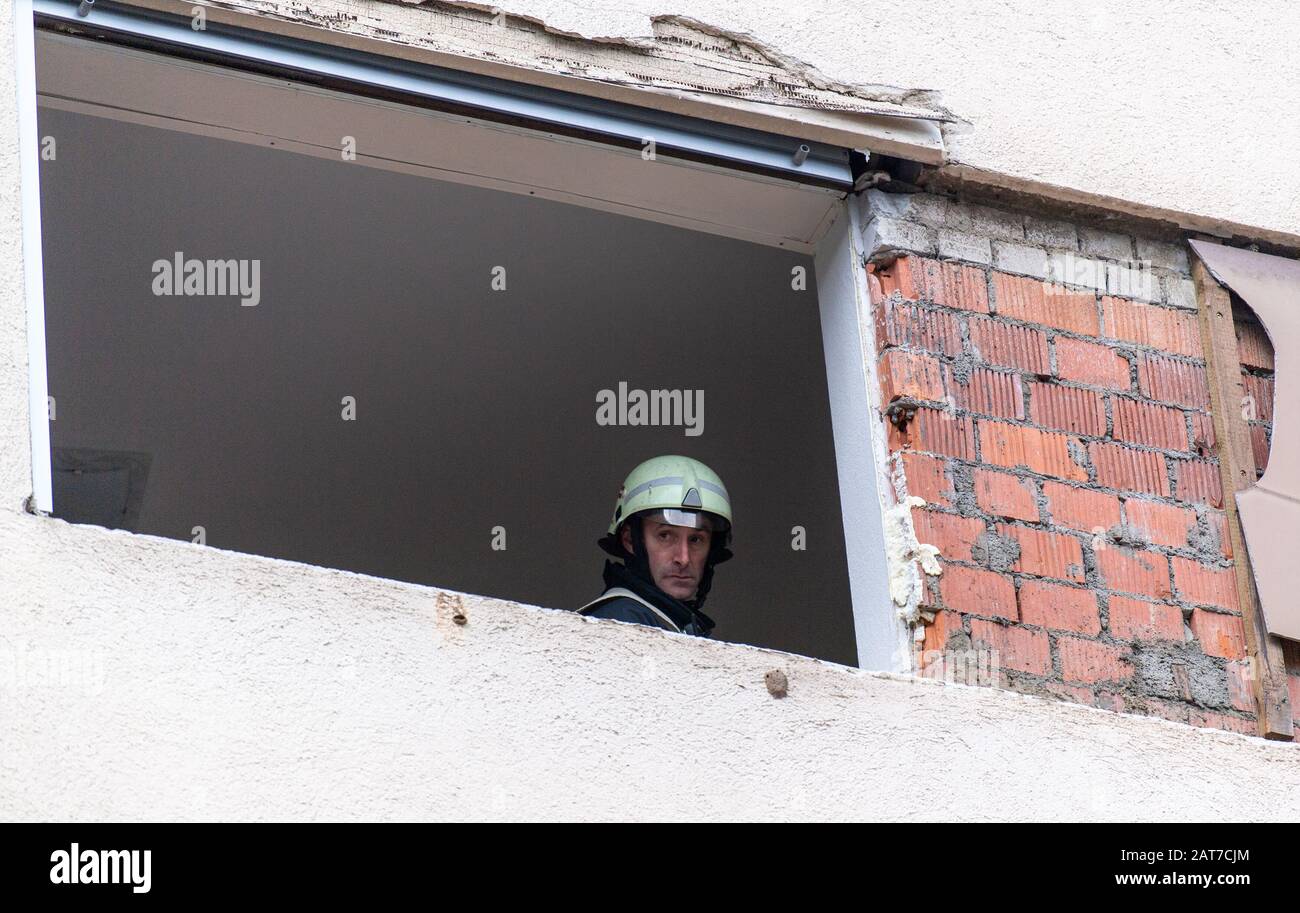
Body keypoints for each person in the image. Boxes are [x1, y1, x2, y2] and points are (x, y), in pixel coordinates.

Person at [578, 455, 732, 637]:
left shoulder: (675, 623)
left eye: (695, 540)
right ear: (630, 540)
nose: (683, 559)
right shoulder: (619, 621)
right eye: (665, 536)